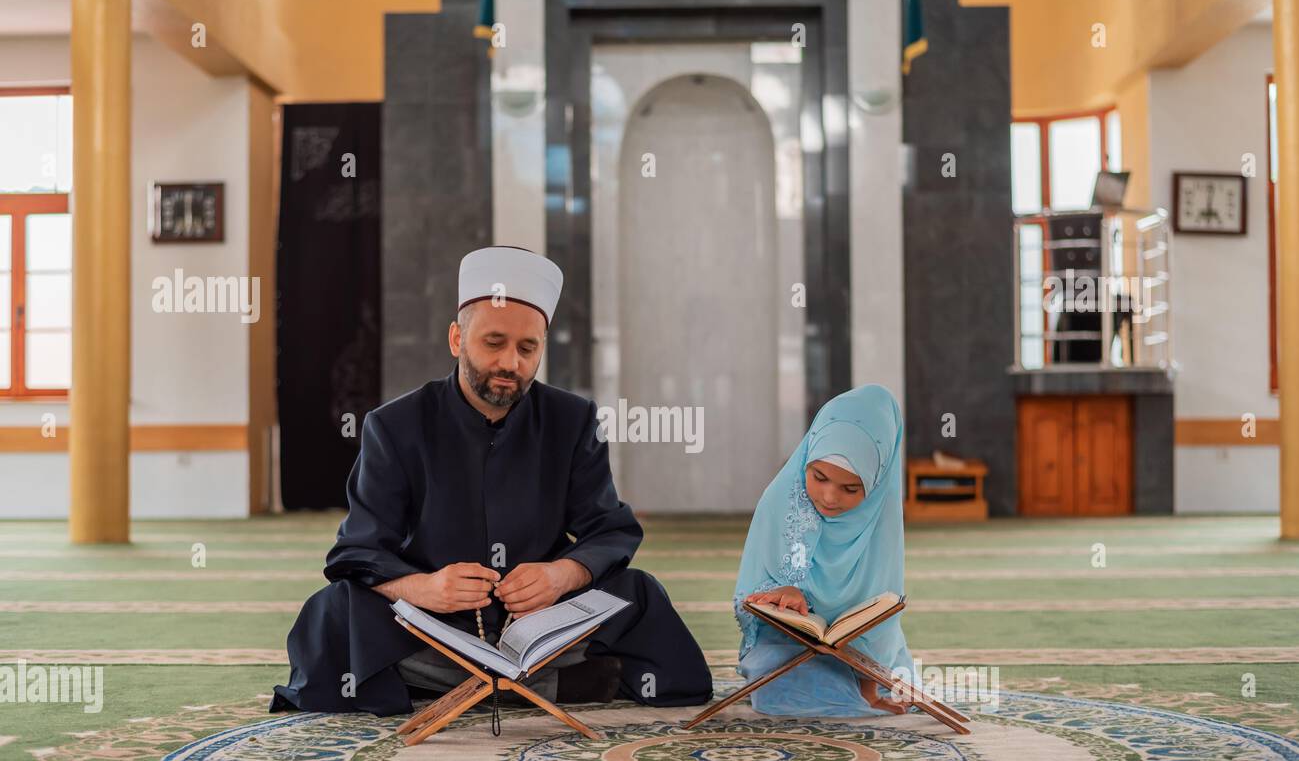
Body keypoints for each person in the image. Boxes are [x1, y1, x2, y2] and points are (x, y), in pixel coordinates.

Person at [271, 246, 712, 716]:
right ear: (457, 338)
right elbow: (358, 551)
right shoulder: (396, 426)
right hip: (433, 623)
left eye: (528, 348)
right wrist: (424, 588)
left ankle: (462, 688)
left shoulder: (572, 420)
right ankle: (555, 685)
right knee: (334, 611)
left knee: (638, 593)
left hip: (543, 621)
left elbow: (610, 529)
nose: (511, 364)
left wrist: (559, 575)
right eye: (494, 343)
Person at [733, 384, 916, 717]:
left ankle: (861, 681)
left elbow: (880, 614)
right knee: (781, 682)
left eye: (850, 488)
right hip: (786, 644)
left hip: (859, 650)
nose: (830, 498)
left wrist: (869, 689)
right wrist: (782, 593)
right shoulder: (781, 501)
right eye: (819, 477)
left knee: (858, 686)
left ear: (875, 484)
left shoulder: (879, 517)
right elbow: (754, 593)